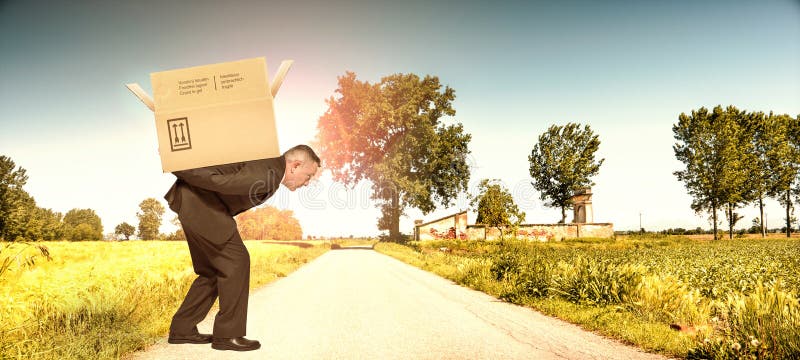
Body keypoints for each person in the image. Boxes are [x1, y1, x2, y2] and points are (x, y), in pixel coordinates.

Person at [163, 144, 320, 351]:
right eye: (308, 176)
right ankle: (227, 336)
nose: (307, 183)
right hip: (202, 207)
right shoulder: (269, 172)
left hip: (194, 204)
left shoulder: (270, 170)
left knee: (211, 271)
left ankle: (182, 329)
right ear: (295, 166)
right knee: (237, 261)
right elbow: (220, 181)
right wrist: (176, 164)